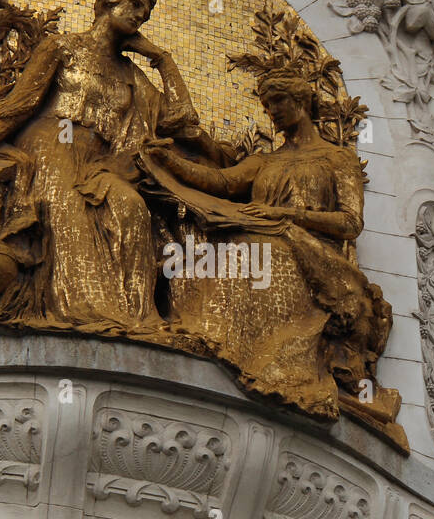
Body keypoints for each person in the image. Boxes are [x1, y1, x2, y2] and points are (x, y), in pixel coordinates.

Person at [142, 68, 402, 436]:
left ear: (302, 101)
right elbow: (223, 182)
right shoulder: (267, 160)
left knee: (253, 251)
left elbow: (349, 223)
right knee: (211, 256)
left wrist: (286, 215)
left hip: (314, 258)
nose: (273, 111)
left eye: (279, 102)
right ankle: (214, 346)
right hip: (261, 239)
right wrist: (170, 162)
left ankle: (261, 361)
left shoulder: (336, 159)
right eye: (267, 104)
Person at [0, 0, 199, 332]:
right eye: (134, 6)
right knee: (68, 209)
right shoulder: (62, 48)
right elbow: (21, 104)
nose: (140, 17)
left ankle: (138, 320)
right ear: (105, 5)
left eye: (145, 15)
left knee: (131, 209)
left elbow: (182, 120)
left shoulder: (131, 73)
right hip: (52, 142)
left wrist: (163, 59)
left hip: (103, 161)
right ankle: (82, 312)